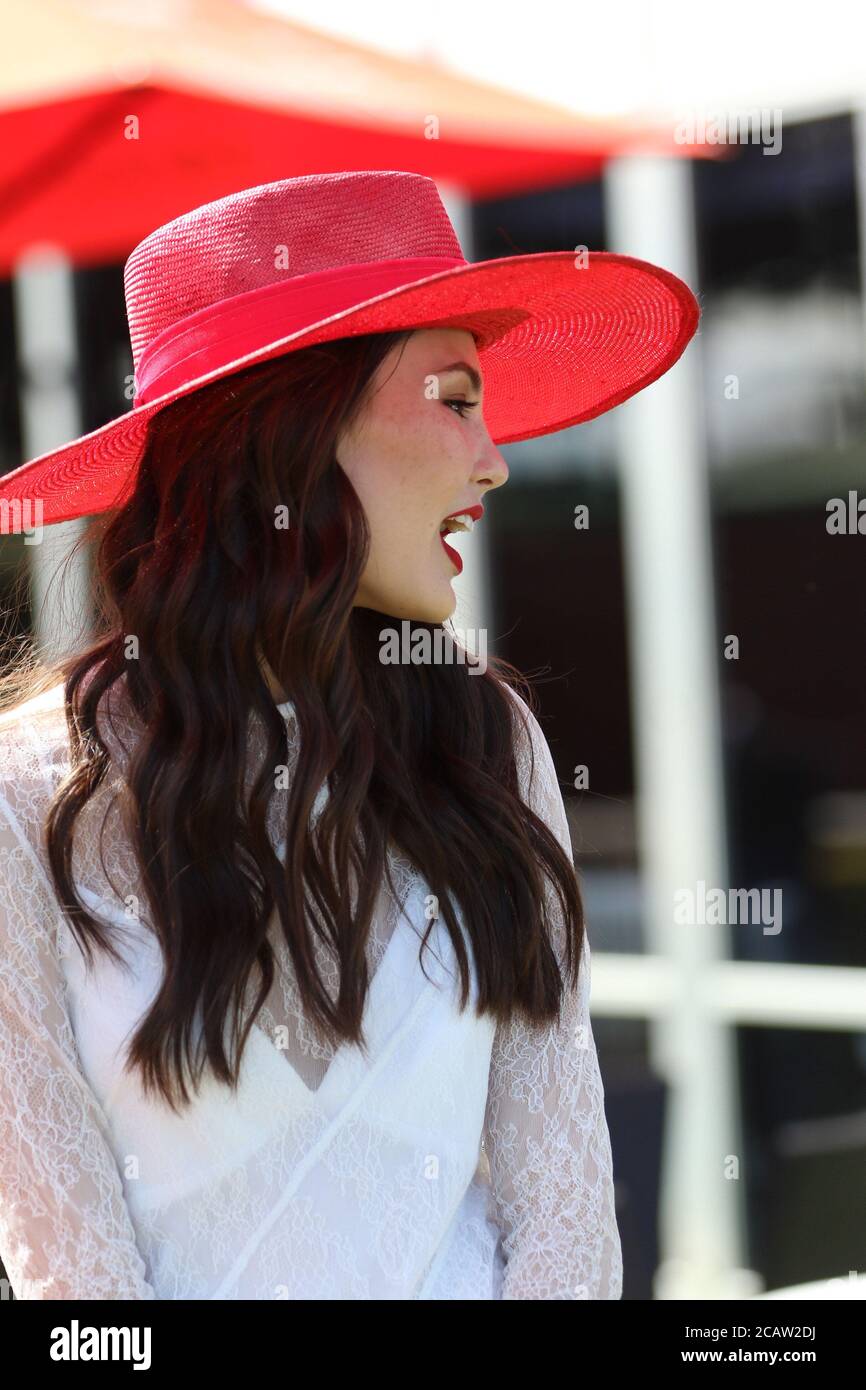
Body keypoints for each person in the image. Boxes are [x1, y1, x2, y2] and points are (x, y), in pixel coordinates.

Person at [0, 170, 699, 1299]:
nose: (494, 462)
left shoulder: (487, 740)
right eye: (456, 397)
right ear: (295, 425)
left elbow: (567, 1220)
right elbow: (72, 1286)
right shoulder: (25, 797)